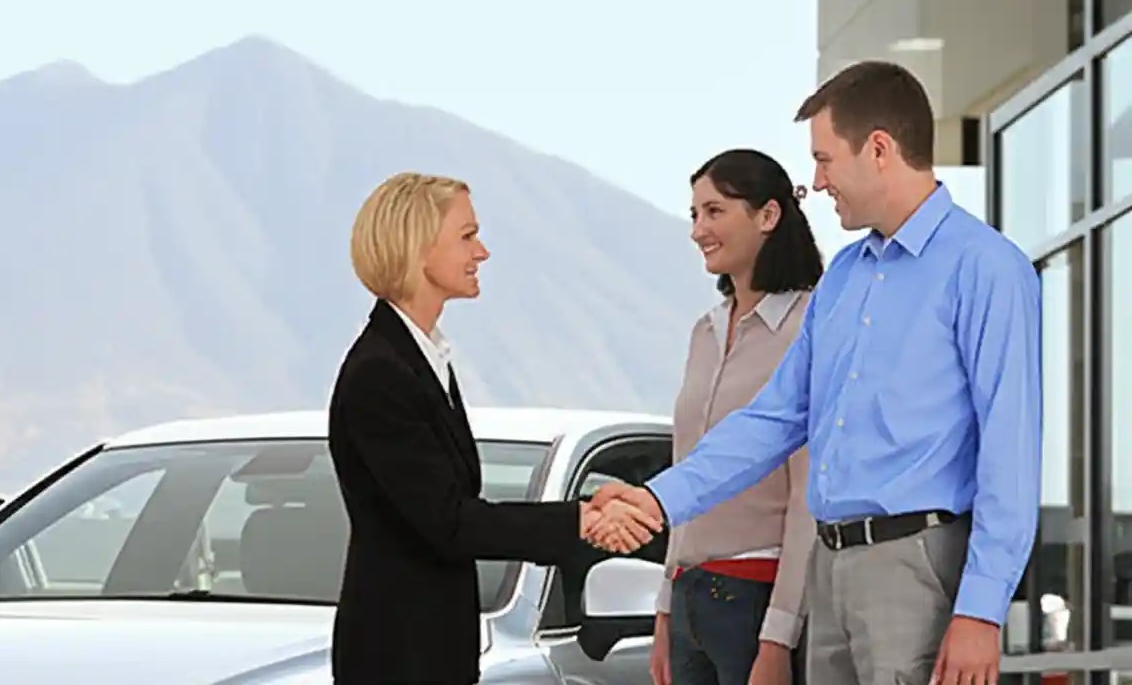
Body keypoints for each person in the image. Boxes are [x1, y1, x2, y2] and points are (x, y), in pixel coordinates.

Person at [590, 61, 1043, 685]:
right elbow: (776, 418)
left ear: (878, 148)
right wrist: (658, 498)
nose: (817, 180)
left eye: (825, 160)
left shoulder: (987, 269)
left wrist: (981, 612)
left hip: (916, 568)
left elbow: (1009, 457)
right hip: (827, 572)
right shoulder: (845, 278)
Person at [327, 172, 659, 684]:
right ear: (418, 246)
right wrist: (582, 519)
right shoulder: (381, 371)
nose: (481, 252)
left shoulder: (419, 357)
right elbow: (449, 523)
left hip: (432, 649)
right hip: (399, 656)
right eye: (467, 236)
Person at [649, 149, 823, 685]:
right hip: (689, 597)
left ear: (768, 216)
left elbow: (806, 498)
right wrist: (664, 610)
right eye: (695, 213)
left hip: (756, 598)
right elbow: (688, 476)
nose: (698, 229)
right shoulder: (703, 332)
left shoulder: (810, 326)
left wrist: (778, 636)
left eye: (715, 211)